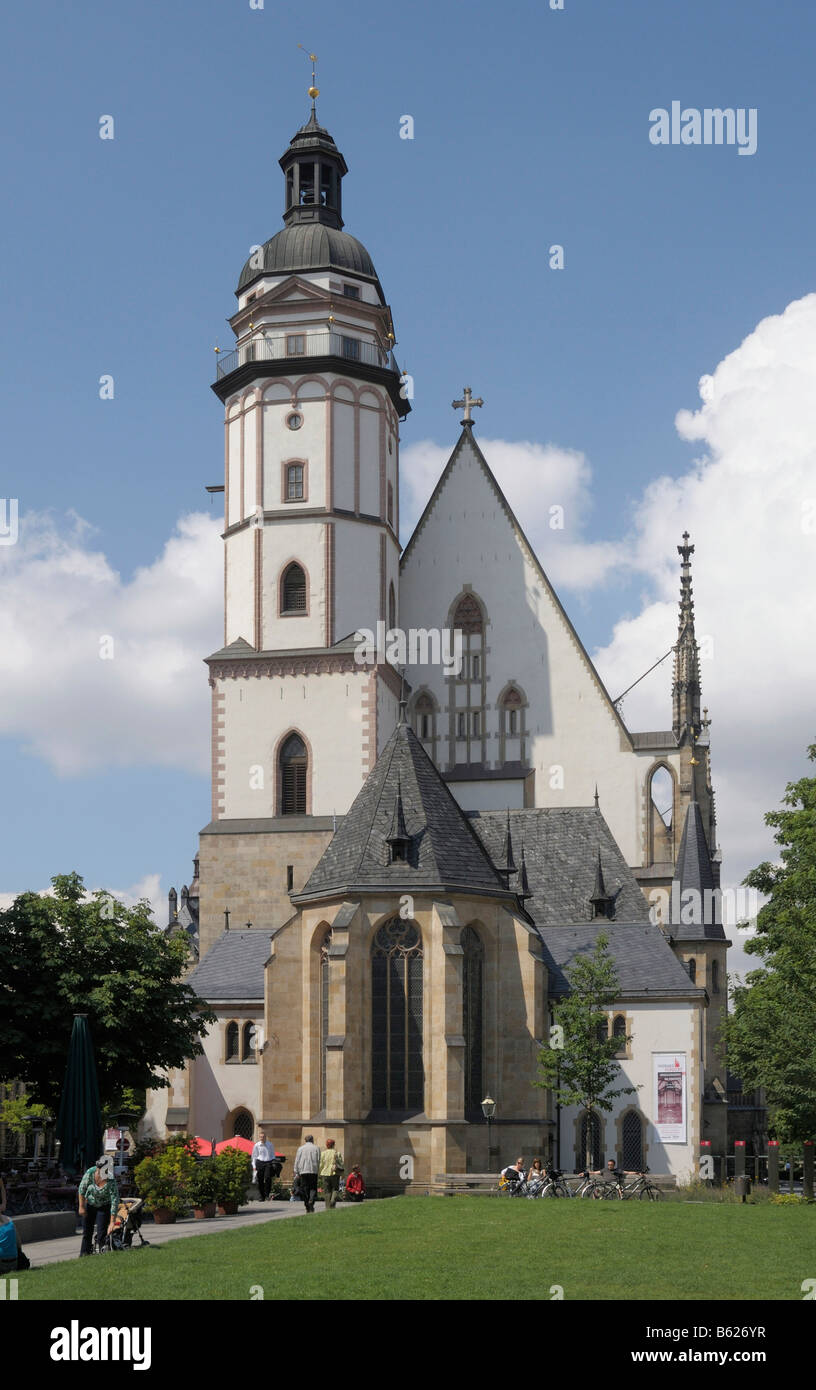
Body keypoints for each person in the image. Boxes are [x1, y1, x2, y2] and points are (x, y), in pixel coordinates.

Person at [78, 1157, 119, 1255]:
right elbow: (81, 1189)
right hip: (90, 1204)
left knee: (102, 1233)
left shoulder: (110, 1179)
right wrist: (81, 1206)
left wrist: (112, 1222)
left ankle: (103, 1253)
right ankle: (84, 1254)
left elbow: (114, 1200)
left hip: (104, 1206)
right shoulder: (90, 1173)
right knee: (87, 1232)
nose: (99, 1171)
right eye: (98, 1168)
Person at [293, 1134, 320, 1213]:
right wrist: (318, 1170)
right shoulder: (316, 1148)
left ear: (305, 1140)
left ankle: (307, 1205)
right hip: (313, 1171)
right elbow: (318, 1160)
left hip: (303, 1171)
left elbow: (297, 1160)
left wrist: (296, 1171)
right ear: (312, 1140)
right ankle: (311, 1201)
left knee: (304, 1189)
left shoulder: (300, 1149)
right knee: (312, 1188)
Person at [251, 1129, 278, 1201]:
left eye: (263, 1137)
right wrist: (254, 1166)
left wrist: (273, 1162)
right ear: (259, 1138)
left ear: (265, 1137)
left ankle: (267, 1194)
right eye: (261, 1137)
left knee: (268, 1178)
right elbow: (254, 1156)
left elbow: (273, 1155)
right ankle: (261, 1196)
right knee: (260, 1180)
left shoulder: (270, 1144)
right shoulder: (256, 1145)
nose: (262, 1138)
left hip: (268, 1162)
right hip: (259, 1162)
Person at [318, 1138, 344, 1210]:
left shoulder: (323, 1153)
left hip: (325, 1174)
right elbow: (341, 1164)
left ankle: (328, 1207)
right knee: (335, 1189)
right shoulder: (337, 1153)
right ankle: (333, 1202)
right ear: (333, 1145)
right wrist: (342, 1174)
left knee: (327, 1191)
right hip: (335, 1173)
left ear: (327, 1145)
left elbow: (321, 1164)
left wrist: (319, 1173)